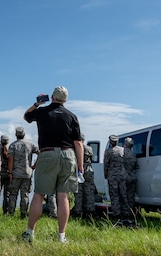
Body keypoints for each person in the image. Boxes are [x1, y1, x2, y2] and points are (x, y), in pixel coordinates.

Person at [21, 86, 83, 245]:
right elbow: (78, 144)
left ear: (52, 97)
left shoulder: (42, 112)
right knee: (63, 196)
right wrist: (80, 166)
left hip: (47, 154)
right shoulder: (72, 116)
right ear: (66, 99)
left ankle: (30, 232)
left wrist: (37, 104)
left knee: (39, 194)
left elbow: (26, 116)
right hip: (68, 155)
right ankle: (62, 237)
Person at [6, 126, 40, 218]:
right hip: (27, 173)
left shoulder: (12, 145)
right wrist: (34, 166)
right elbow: (39, 153)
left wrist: (10, 173)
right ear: (24, 134)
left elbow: (10, 160)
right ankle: (23, 214)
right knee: (25, 195)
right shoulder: (30, 144)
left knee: (13, 194)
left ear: (16, 135)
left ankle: (11, 213)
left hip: (16, 173)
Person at [104, 135, 129, 222]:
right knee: (123, 194)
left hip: (112, 176)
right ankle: (126, 213)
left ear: (111, 142)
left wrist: (105, 175)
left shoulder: (109, 152)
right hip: (122, 176)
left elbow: (106, 164)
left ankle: (116, 213)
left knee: (114, 195)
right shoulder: (122, 150)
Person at [72, 133, 96, 218]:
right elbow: (92, 159)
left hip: (78, 170)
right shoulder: (89, 148)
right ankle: (89, 211)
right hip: (88, 170)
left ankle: (78, 211)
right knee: (89, 191)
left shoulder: (76, 149)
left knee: (78, 191)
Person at [122, 136, 139, 221]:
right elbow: (136, 166)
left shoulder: (122, 153)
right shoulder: (134, 154)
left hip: (125, 177)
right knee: (131, 197)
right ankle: (131, 212)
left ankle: (125, 214)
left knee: (124, 196)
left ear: (125, 144)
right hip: (133, 177)